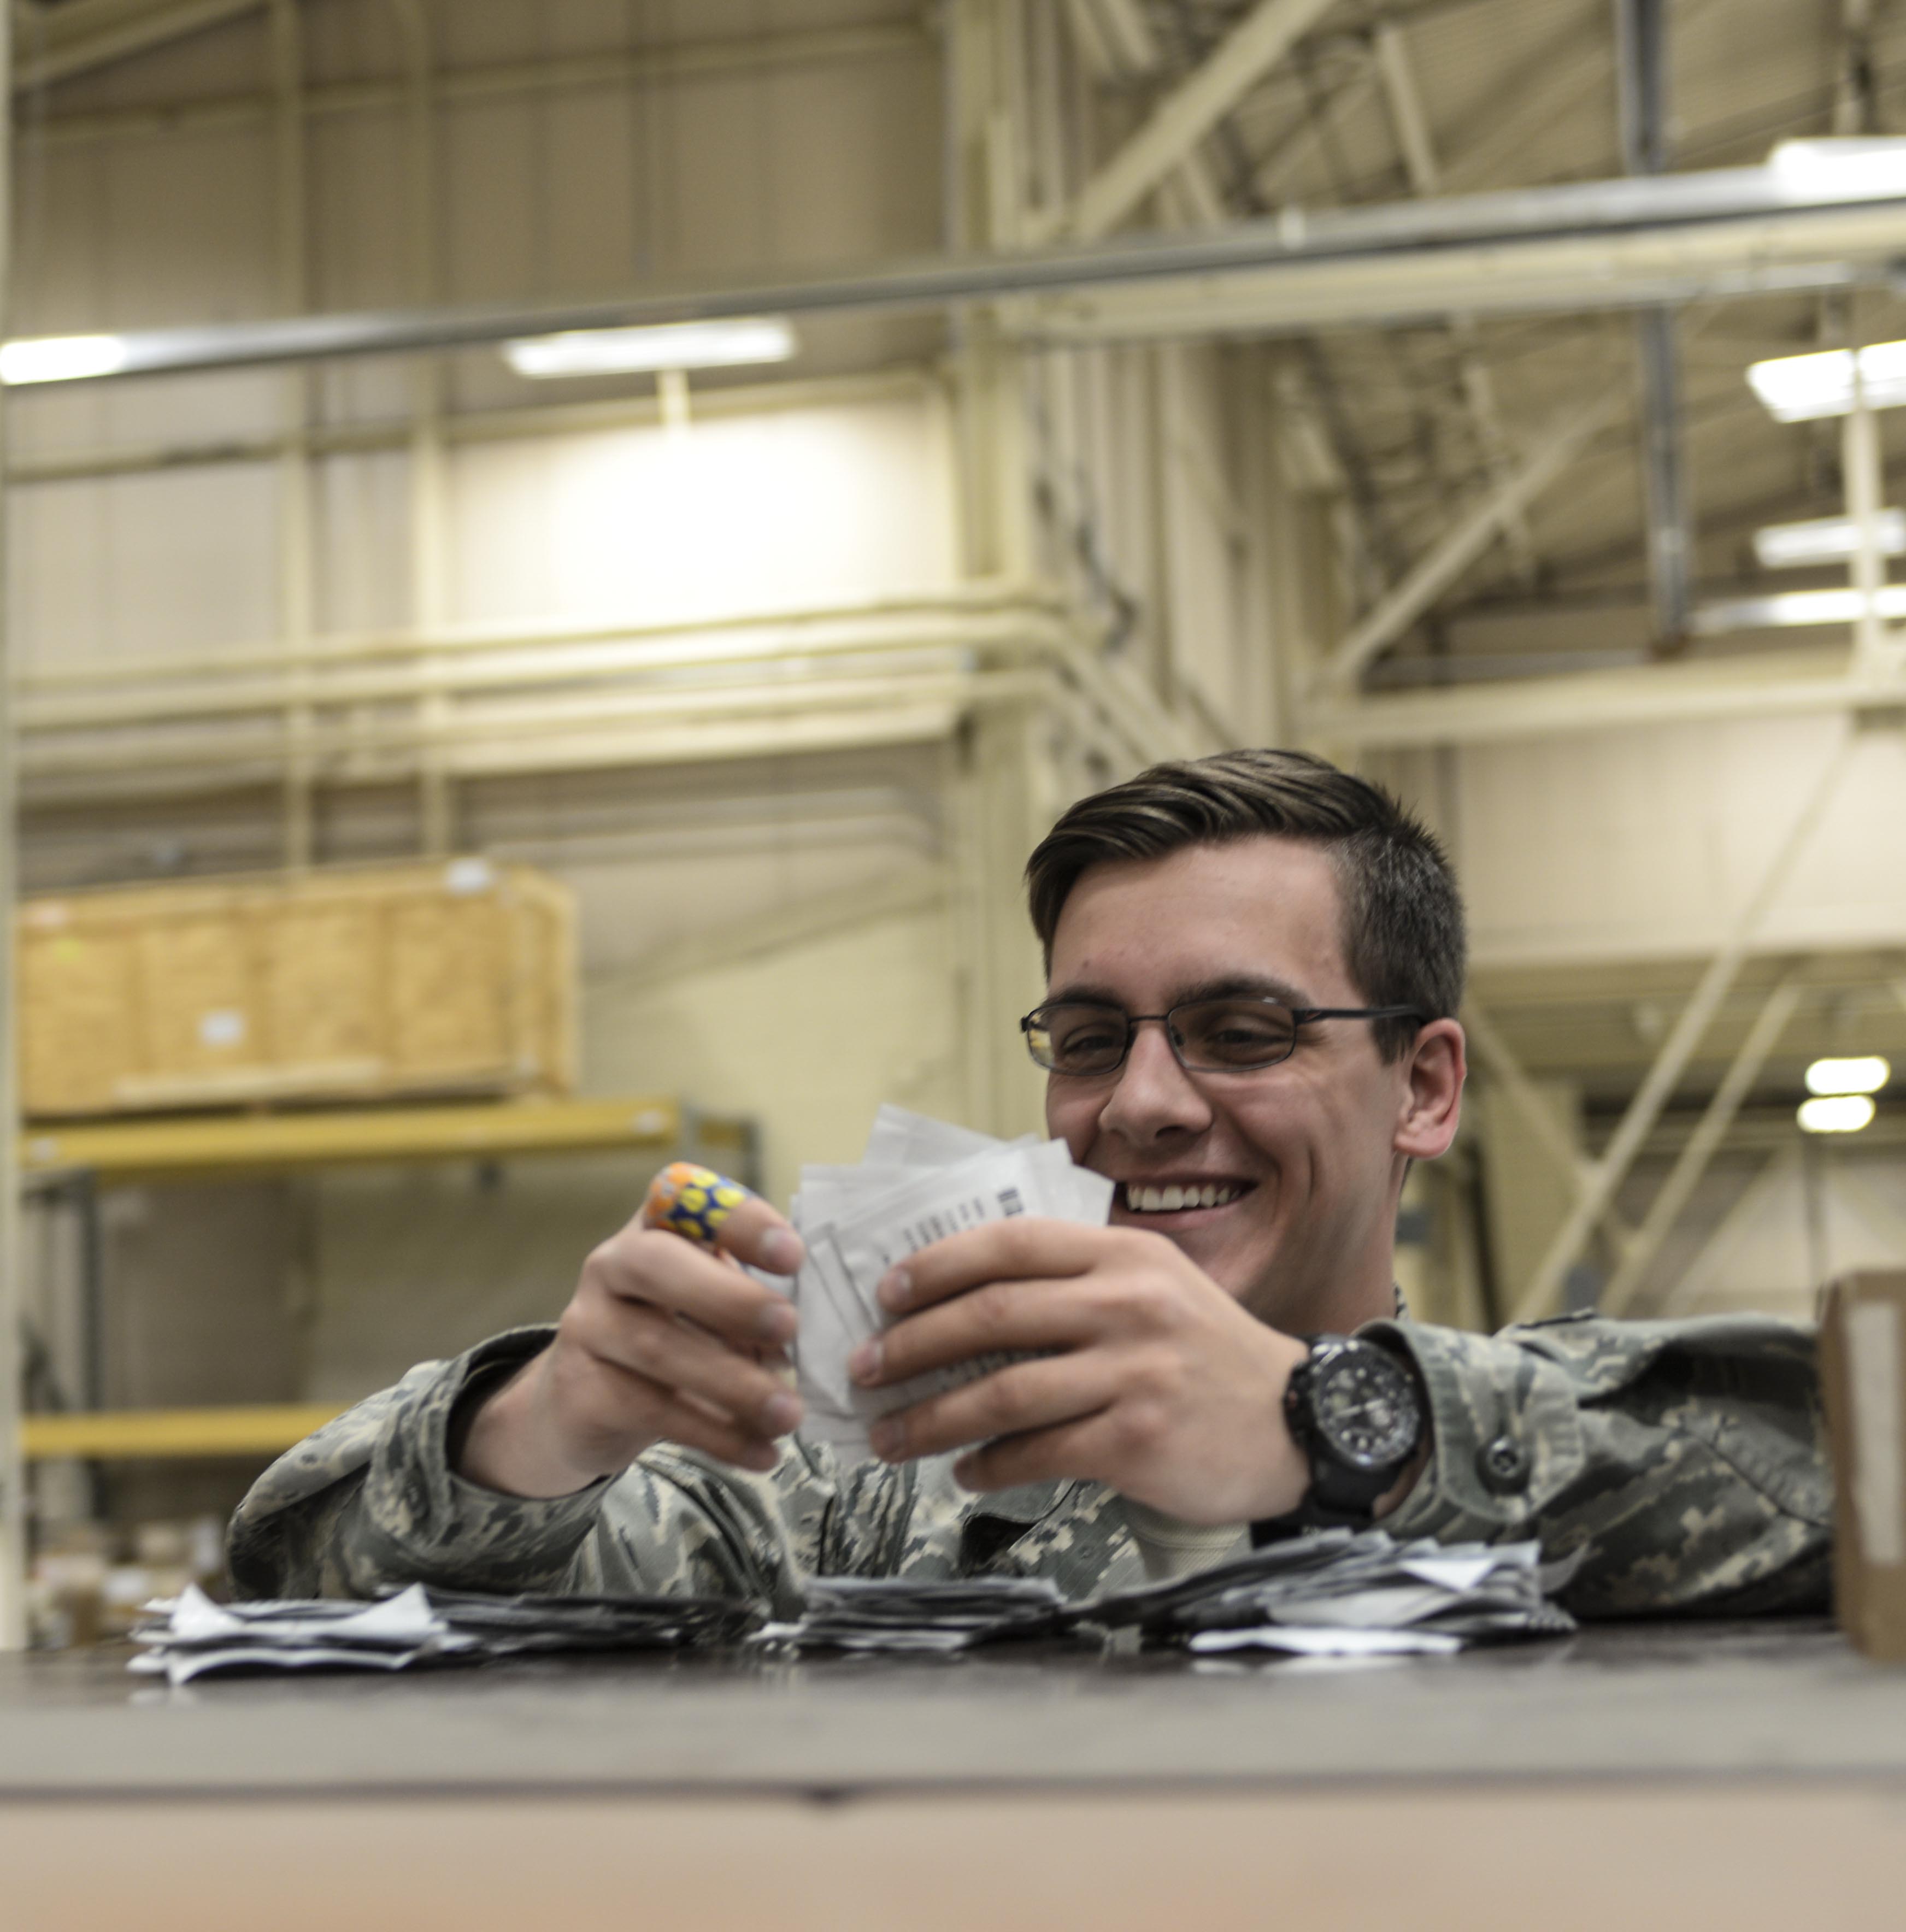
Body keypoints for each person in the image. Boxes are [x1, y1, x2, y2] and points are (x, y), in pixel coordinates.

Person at [231, 750, 1829, 1617]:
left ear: (1424, 1087)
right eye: (1088, 1040)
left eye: (1243, 1032)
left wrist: (1328, 1429)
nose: (1141, 1106)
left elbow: (1856, 1465)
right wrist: (542, 1430)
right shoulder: (882, 1503)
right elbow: (295, 1574)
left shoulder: (1580, 1480)